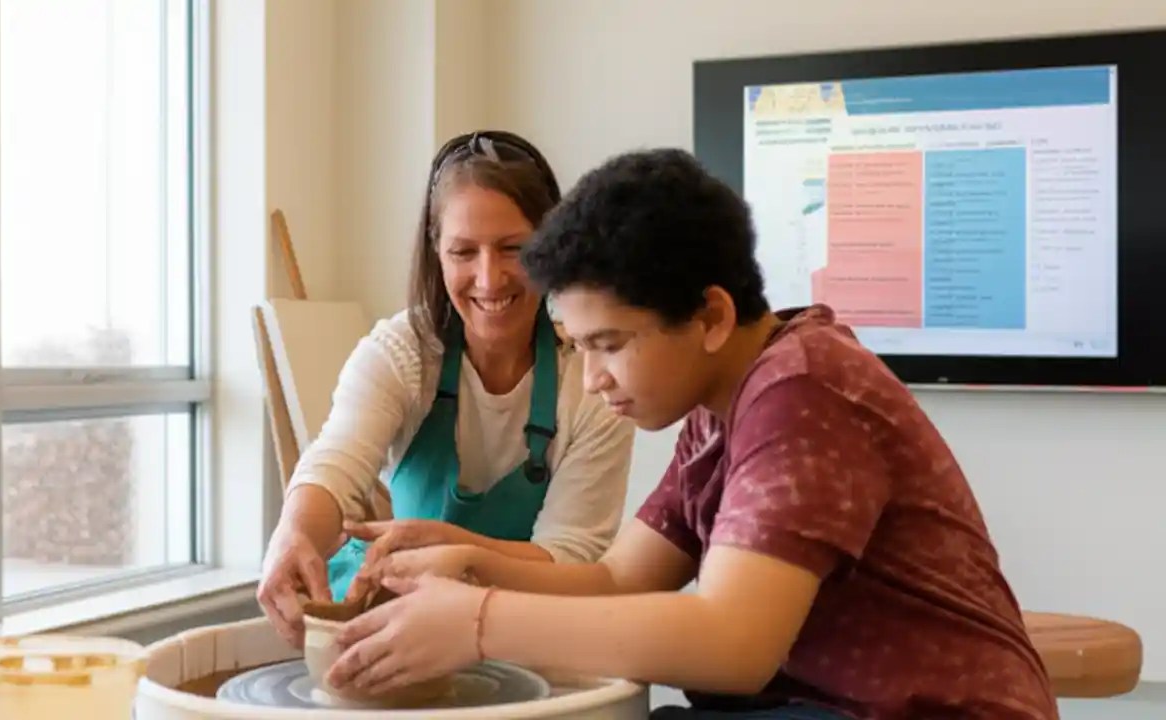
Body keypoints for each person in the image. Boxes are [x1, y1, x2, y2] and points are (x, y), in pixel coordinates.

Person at [322, 148, 1060, 720]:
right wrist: (468, 561)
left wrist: (480, 624)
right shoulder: (717, 408)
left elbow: (731, 641)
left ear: (710, 317)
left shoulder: (804, 389)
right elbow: (618, 580)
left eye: (610, 345)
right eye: (581, 347)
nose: (595, 378)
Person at [256, 130, 634, 648]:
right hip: (398, 616)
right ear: (436, 252)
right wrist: (294, 533)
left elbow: (571, 558)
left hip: (530, 629)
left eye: (513, 249)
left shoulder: (591, 379)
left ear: (550, 247)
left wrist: (454, 551)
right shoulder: (402, 352)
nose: (489, 279)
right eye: (463, 252)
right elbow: (336, 465)